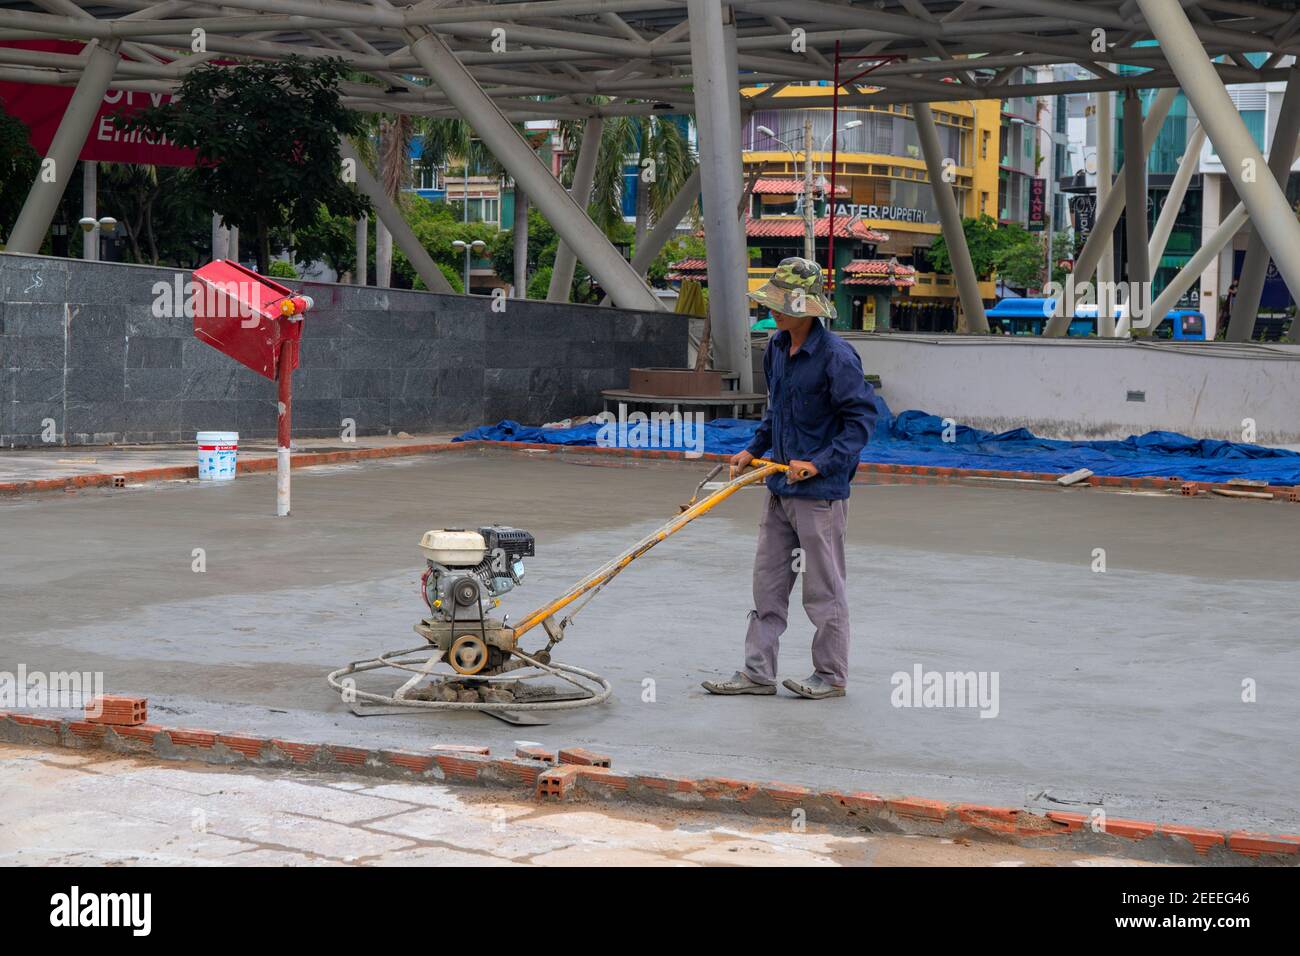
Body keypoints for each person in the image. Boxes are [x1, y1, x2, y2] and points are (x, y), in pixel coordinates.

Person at [702, 257, 879, 700]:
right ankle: (757, 673)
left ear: (807, 307)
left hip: (819, 495)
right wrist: (753, 450)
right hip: (780, 487)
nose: (774, 310)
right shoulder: (777, 348)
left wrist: (819, 463)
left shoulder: (837, 357)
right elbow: (775, 413)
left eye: (782, 303)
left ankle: (831, 676)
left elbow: (860, 421)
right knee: (768, 585)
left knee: (823, 590)